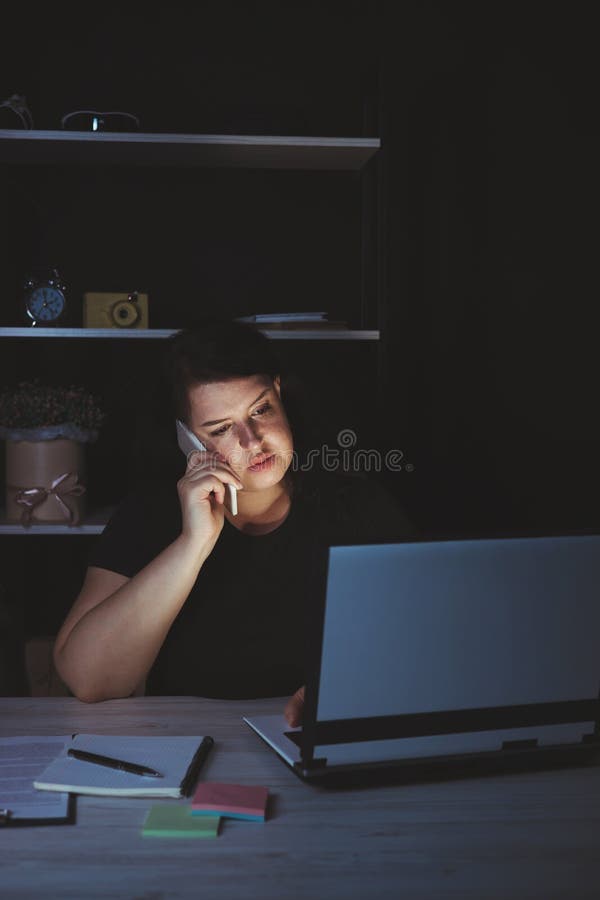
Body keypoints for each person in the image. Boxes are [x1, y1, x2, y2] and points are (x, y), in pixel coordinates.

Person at [53, 318, 415, 724]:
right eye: (221, 429)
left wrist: (353, 688)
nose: (252, 440)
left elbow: (420, 641)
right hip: (191, 749)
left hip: (314, 738)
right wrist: (192, 545)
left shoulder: (360, 506)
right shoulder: (149, 514)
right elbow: (88, 679)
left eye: (260, 409)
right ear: (186, 439)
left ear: (279, 393)